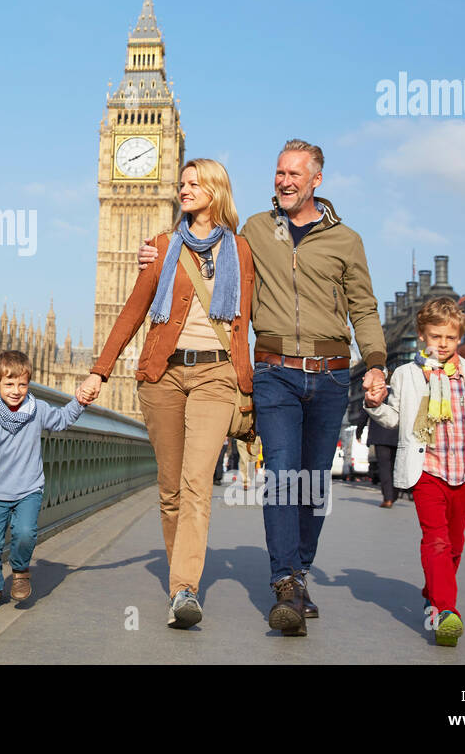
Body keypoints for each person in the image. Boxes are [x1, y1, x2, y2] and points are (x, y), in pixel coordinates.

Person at [139, 139, 388, 636]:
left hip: (333, 372)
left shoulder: (347, 241)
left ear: (316, 180)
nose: (285, 181)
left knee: (313, 484)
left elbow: (363, 306)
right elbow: (204, 245)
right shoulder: (253, 230)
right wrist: (158, 251)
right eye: (279, 173)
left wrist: (376, 363)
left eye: (295, 174)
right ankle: (285, 584)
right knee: (281, 475)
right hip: (273, 370)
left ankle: (300, 567)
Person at [78, 158, 255, 629]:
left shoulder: (241, 250)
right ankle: (183, 578)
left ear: (217, 190)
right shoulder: (161, 248)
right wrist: (100, 371)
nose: (184, 189)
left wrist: (259, 383)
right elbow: (133, 311)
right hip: (163, 375)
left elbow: (254, 321)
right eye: (181, 183)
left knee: (198, 482)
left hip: (216, 376)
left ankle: (183, 589)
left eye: (195, 183)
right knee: (171, 487)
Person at [364, 296, 465, 647]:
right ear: (422, 336)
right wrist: (374, 405)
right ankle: (445, 611)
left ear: (459, 338)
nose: (442, 344)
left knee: (456, 544)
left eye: (450, 338)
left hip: (462, 472)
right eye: (435, 336)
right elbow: (395, 420)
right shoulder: (408, 374)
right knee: (437, 540)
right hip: (426, 469)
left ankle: (432, 591)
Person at [0, 349, 88, 609]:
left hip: (28, 489)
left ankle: (21, 571)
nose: (15, 390)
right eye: (9, 384)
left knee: (25, 533)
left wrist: (79, 402)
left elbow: (61, 420)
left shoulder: (38, 409)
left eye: (22, 384)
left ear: (29, 384)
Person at [368, 416, 400, 506]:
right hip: (397, 434)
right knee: (395, 467)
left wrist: (359, 430)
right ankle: (393, 496)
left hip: (380, 435)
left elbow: (367, 407)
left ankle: (388, 498)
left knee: (384, 468)